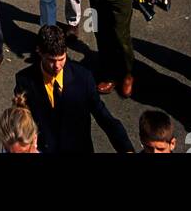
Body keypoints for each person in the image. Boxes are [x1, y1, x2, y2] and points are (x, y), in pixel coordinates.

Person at [11, 24, 134, 154]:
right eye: (51, 60)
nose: (57, 66)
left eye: (61, 59)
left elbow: (104, 117)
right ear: (39, 51)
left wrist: (126, 148)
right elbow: (22, 123)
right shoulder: (24, 81)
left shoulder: (83, 78)